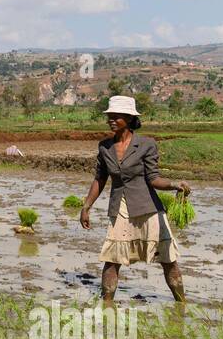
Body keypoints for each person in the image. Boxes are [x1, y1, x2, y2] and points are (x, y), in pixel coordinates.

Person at [79, 96, 190, 302]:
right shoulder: (104, 147)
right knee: (112, 259)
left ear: (129, 119)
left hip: (147, 207)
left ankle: (181, 304)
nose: (111, 120)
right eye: (109, 116)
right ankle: (107, 305)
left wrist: (174, 184)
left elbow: (153, 179)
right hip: (119, 206)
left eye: (116, 116)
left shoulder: (146, 144)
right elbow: (100, 179)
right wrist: (86, 206)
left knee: (167, 259)